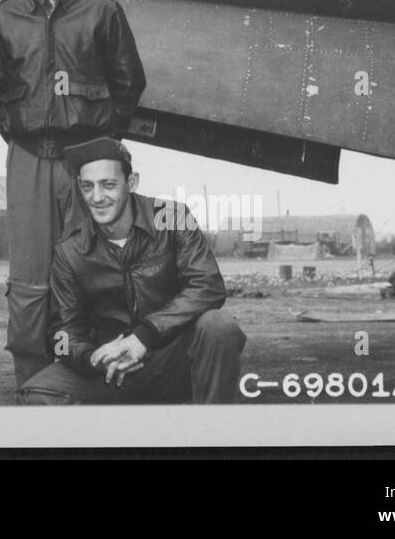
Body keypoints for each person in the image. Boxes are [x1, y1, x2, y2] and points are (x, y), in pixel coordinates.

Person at [0, 0, 147, 389]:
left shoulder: (100, 9)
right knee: (31, 277)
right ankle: (33, 381)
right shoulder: (6, 16)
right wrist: (21, 128)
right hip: (29, 159)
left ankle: (98, 375)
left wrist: (100, 143)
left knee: (93, 264)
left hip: (86, 161)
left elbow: (128, 82)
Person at [19, 137, 245, 405]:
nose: (97, 197)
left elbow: (208, 285)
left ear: (132, 182)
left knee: (219, 326)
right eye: (87, 186)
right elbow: (59, 335)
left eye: (109, 185)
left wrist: (145, 336)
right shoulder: (69, 251)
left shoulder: (171, 217)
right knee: (35, 395)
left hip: (172, 359)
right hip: (112, 368)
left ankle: (211, 434)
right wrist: (92, 358)